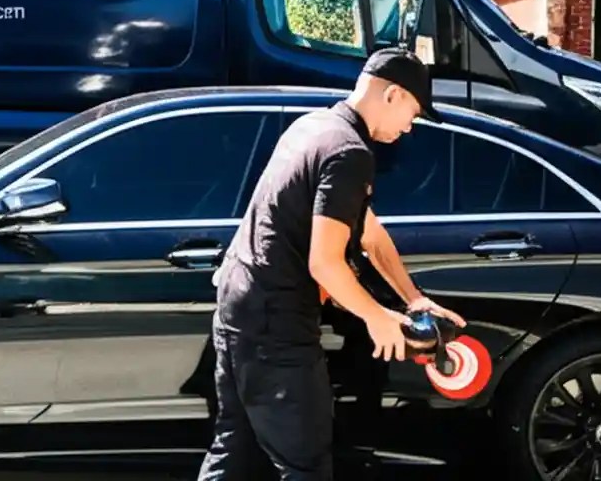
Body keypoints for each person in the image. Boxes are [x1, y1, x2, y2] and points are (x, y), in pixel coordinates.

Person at [196, 47, 466, 481]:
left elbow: (369, 234)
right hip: (275, 327)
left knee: (236, 451)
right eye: (413, 112)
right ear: (392, 94)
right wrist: (377, 317)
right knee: (305, 464)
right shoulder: (349, 153)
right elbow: (324, 263)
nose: (410, 126)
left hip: (237, 310)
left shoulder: (314, 126)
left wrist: (414, 299)